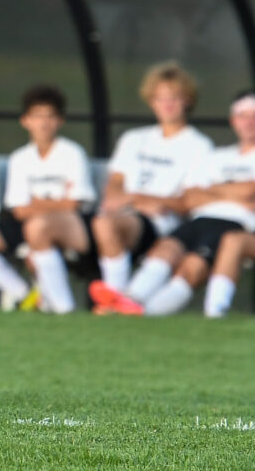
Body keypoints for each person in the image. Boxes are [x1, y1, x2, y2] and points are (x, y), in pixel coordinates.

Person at [89, 90, 255, 316]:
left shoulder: (204, 150)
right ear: (233, 121)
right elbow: (191, 196)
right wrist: (238, 191)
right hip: (199, 219)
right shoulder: (218, 156)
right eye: (243, 116)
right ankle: (126, 301)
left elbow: (250, 192)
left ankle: (145, 313)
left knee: (191, 268)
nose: (249, 122)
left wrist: (214, 190)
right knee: (164, 251)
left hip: (236, 225)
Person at [0, 84, 96, 313]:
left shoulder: (73, 154)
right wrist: (53, 203)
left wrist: (37, 203)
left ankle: (65, 310)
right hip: (29, 224)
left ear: (60, 120)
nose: (43, 123)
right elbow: (19, 210)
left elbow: (73, 204)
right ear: (25, 121)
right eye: (37, 116)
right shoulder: (20, 158)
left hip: (70, 226)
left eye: (50, 116)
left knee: (38, 227)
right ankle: (26, 297)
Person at [88, 62, 212, 298]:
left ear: (187, 100)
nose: (167, 105)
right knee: (97, 222)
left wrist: (138, 199)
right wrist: (129, 199)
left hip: (163, 223)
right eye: (160, 98)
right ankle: (118, 300)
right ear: (151, 101)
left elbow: (190, 201)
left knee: (106, 223)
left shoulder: (199, 146)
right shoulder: (134, 138)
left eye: (174, 97)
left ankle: (115, 297)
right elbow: (115, 182)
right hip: (126, 213)